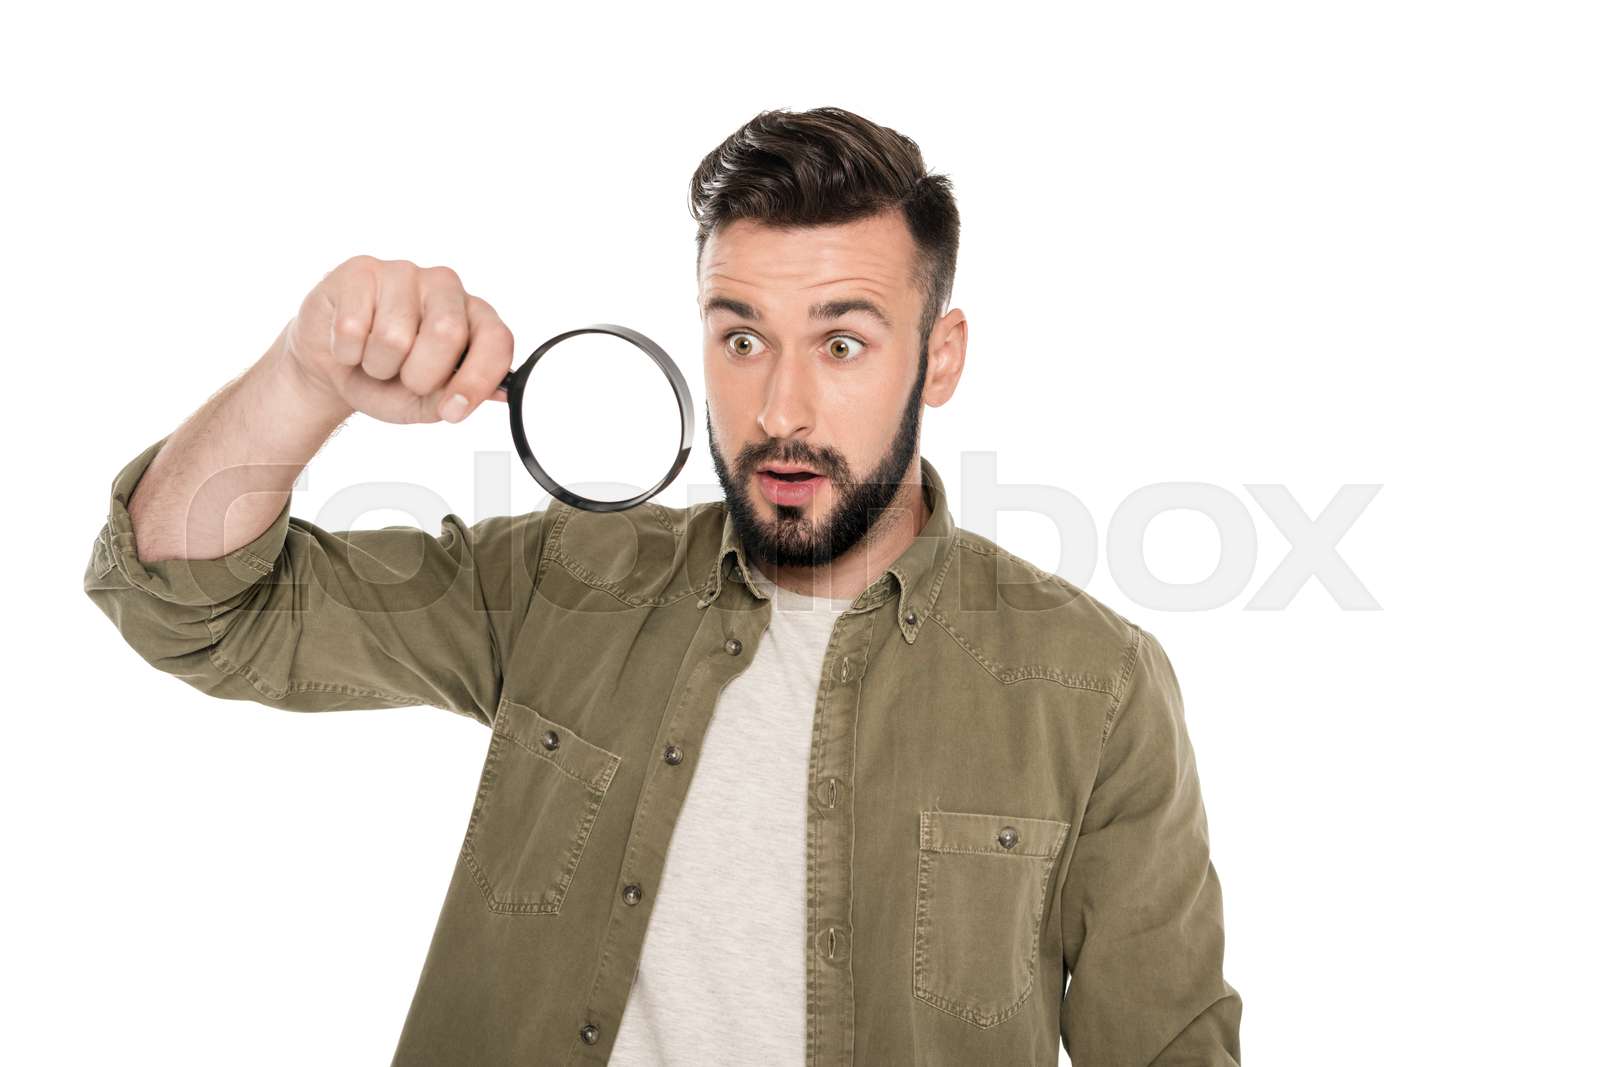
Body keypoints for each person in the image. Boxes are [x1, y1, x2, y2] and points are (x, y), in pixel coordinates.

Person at [83, 106, 1242, 1066]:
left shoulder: (1096, 685)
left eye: (841, 343)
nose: (780, 409)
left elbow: (1170, 1046)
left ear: (937, 357)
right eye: (741, 338)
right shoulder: (563, 579)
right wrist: (304, 376)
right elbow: (188, 602)